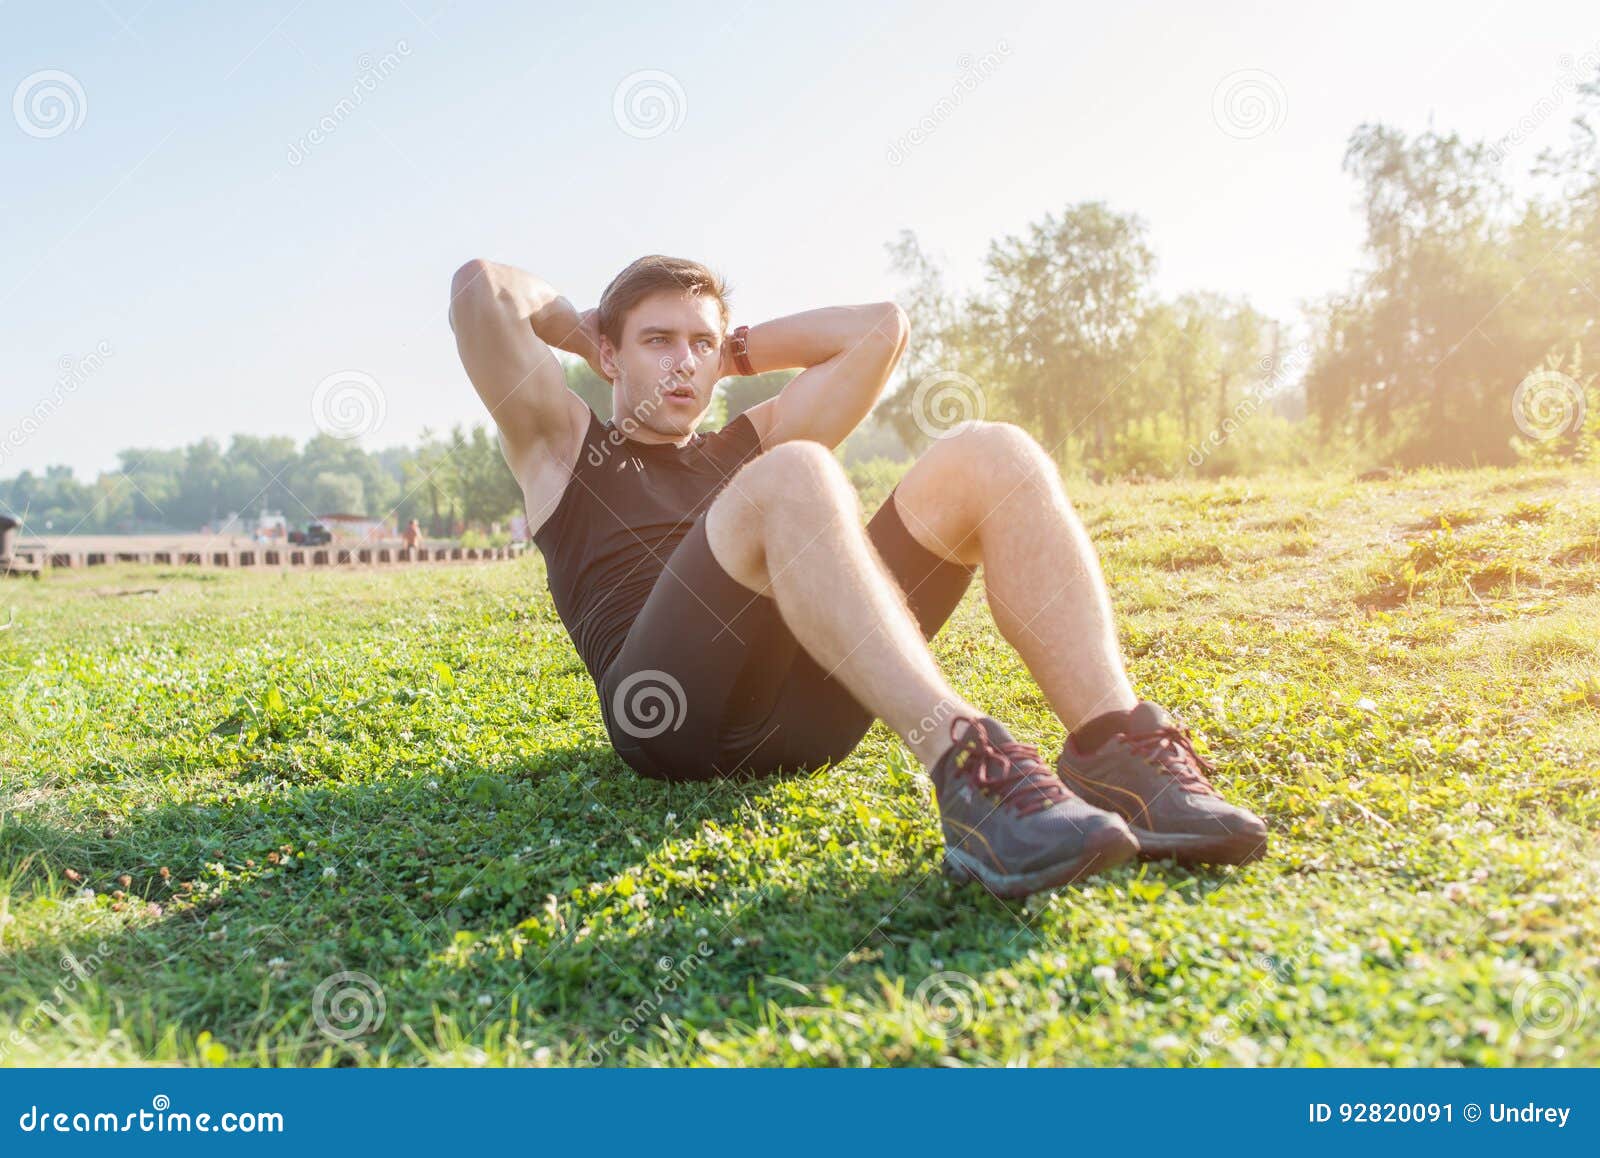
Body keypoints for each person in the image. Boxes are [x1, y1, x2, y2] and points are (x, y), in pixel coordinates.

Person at [448, 254, 1267, 898]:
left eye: (701, 344)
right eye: (657, 341)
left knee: (995, 454)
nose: (683, 365)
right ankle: (968, 770)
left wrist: (734, 351)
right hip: (666, 719)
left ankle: (1113, 747)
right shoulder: (563, 443)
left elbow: (882, 328)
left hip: (804, 724)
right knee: (796, 471)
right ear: (608, 353)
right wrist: (587, 325)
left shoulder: (745, 445)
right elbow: (483, 289)